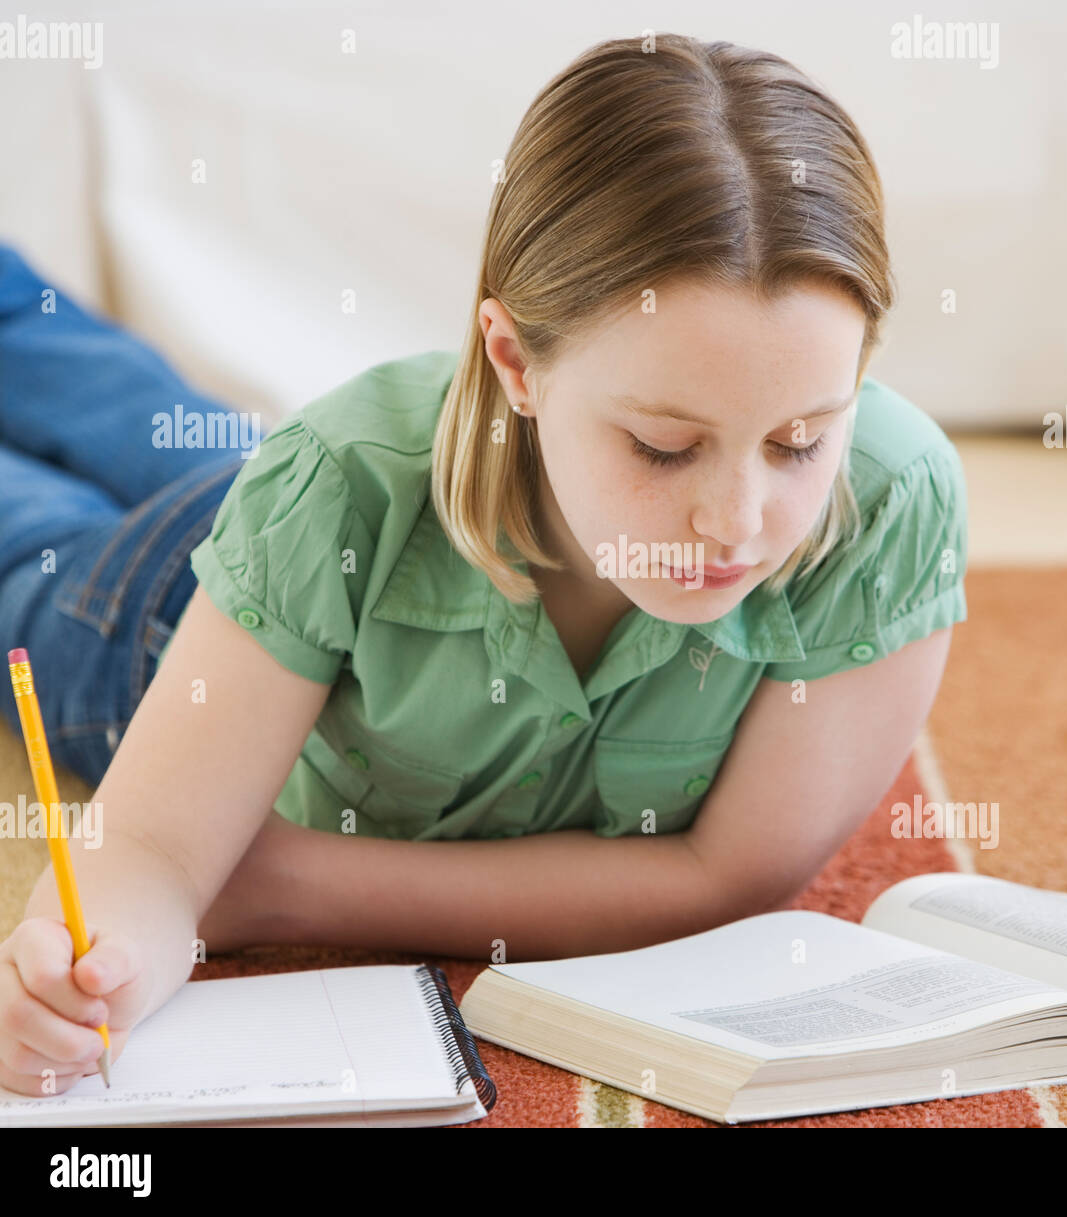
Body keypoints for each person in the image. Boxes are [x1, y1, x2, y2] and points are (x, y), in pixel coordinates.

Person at [0, 32, 967, 1097]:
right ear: (515, 362)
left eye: (799, 441)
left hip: (291, 497)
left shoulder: (896, 494)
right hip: (161, 606)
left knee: (102, 390)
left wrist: (288, 886)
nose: (735, 523)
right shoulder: (334, 481)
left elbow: (722, 878)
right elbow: (151, 852)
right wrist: (82, 961)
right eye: (661, 444)